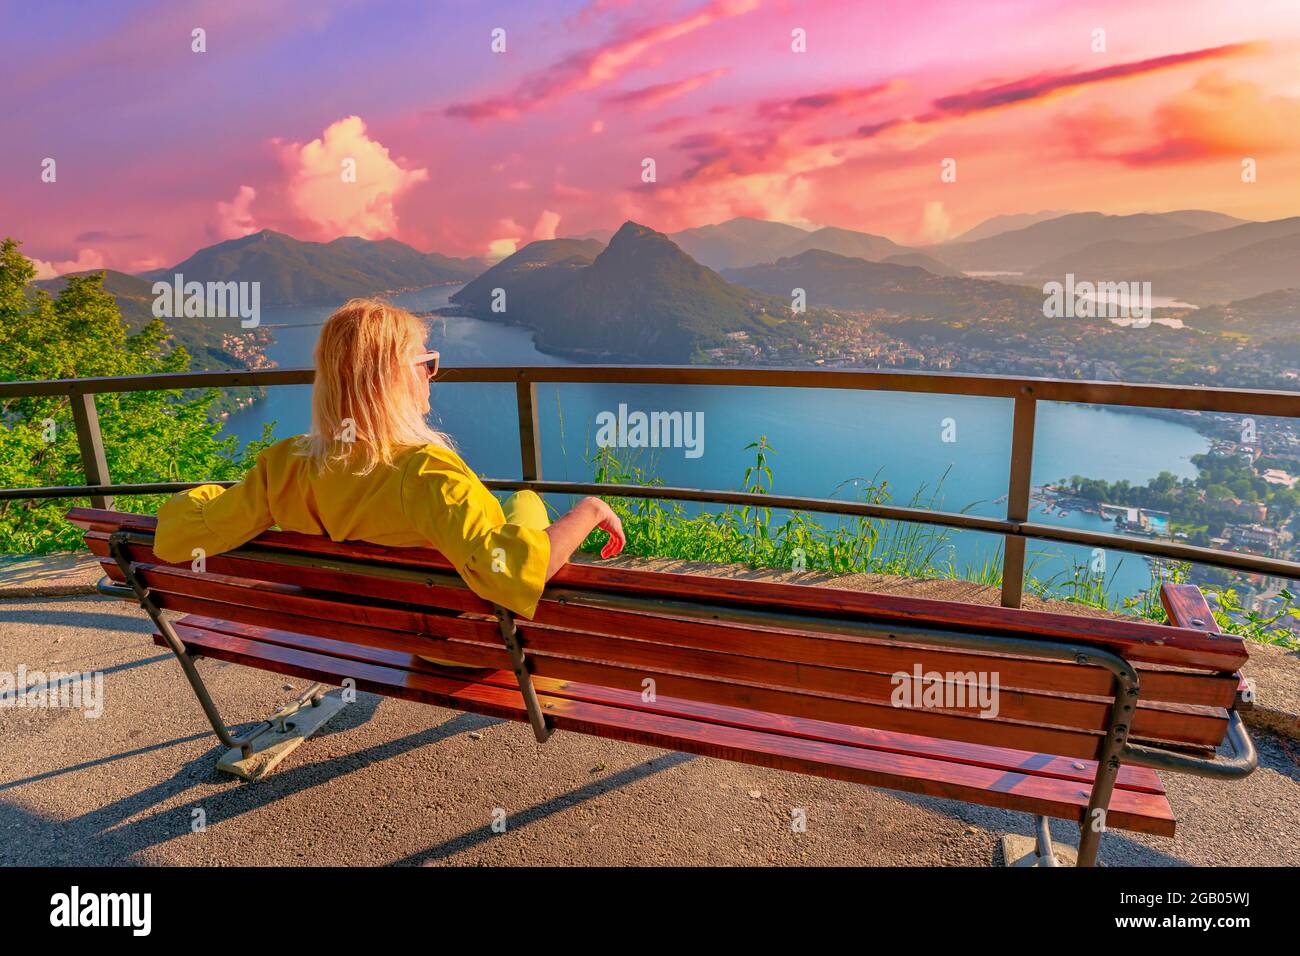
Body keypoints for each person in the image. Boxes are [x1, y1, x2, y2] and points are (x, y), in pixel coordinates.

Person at [153, 298, 625, 665]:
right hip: (458, 646)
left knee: (517, 507)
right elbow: (515, 571)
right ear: (395, 378)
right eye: (426, 363)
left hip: (349, 630)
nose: (430, 376)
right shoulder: (429, 475)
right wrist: (592, 509)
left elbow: (181, 535)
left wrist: (207, 495)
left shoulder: (285, 465)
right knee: (525, 499)